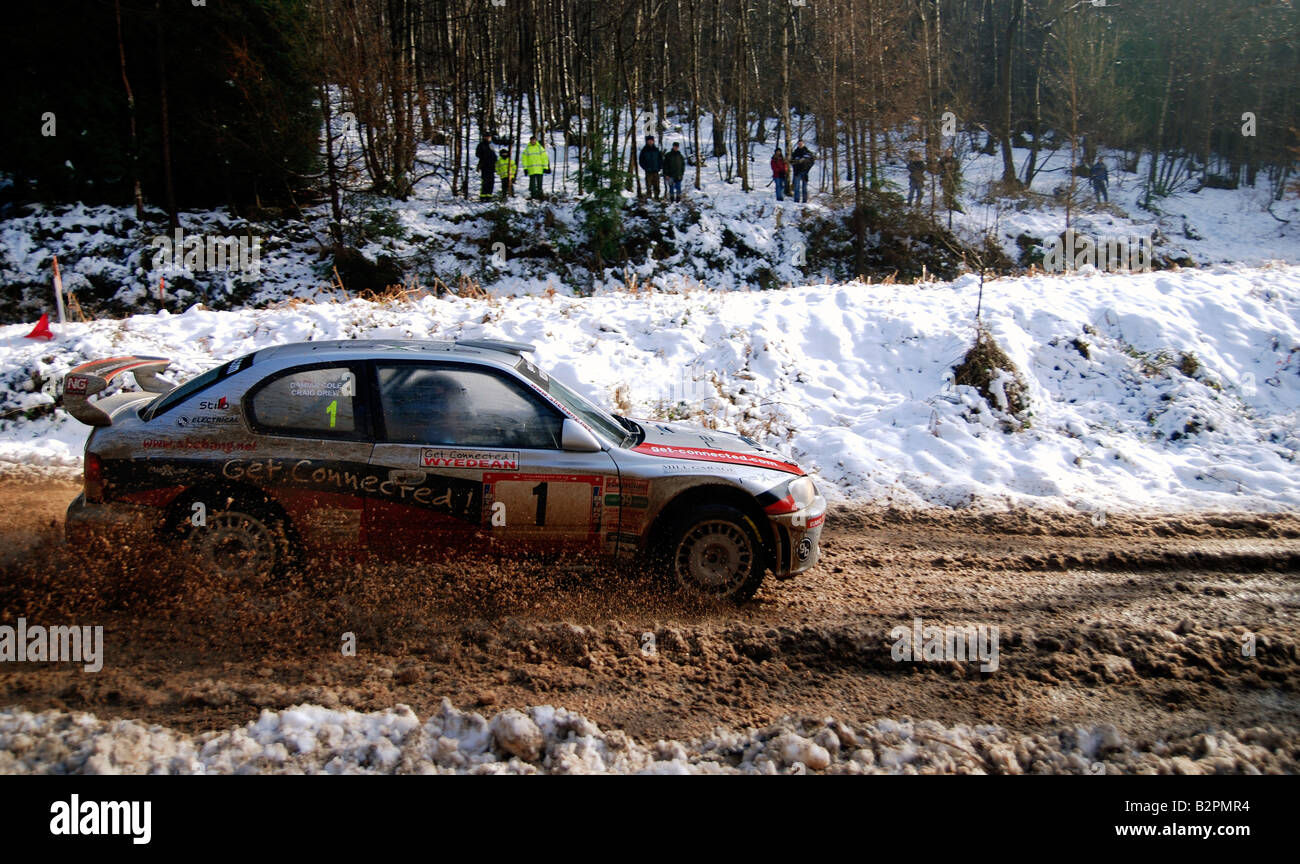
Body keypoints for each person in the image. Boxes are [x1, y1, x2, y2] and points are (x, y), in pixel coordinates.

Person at [521, 135, 549, 200]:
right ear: (530, 141)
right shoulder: (527, 149)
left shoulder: (540, 148)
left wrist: (545, 167)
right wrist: (525, 169)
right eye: (532, 140)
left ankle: (540, 195)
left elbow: (544, 158)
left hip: (539, 169)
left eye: (534, 140)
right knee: (532, 183)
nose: (533, 141)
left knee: (540, 183)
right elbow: (524, 159)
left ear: (536, 140)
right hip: (531, 170)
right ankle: (533, 195)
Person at [639, 134, 663, 200]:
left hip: (656, 170)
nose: (650, 142)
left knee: (657, 185)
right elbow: (641, 161)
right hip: (648, 171)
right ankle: (649, 197)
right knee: (648, 185)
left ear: (653, 141)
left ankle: (656, 197)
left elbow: (660, 159)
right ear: (647, 141)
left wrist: (659, 167)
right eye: (649, 141)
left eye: (651, 141)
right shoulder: (644, 150)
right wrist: (645, 167)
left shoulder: (656, 150)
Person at [938, 147, 963, 213]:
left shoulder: (954, 160)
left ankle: (955, 207)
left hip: (953, 179)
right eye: (947, 152)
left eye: (949, 152)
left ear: (951, 153)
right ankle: (947, 206)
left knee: (952, 194)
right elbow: (938, 169)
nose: (948, 154)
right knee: (946, 193)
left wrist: (952, 168)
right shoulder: (942, 160)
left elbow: (957, 168)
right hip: (945, 179)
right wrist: (944, 169)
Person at [476, 136, 498, 201]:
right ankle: (483, 196)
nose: (489, 138)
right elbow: (478, 154)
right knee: (485, 181)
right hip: (485, 166)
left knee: (491, 182)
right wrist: (485, 157)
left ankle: (489, 196)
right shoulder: (481, 145)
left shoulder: (491, 145)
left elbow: (494, 155)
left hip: (491, 166)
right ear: (484, 137)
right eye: (487, 137)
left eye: (490, 137)